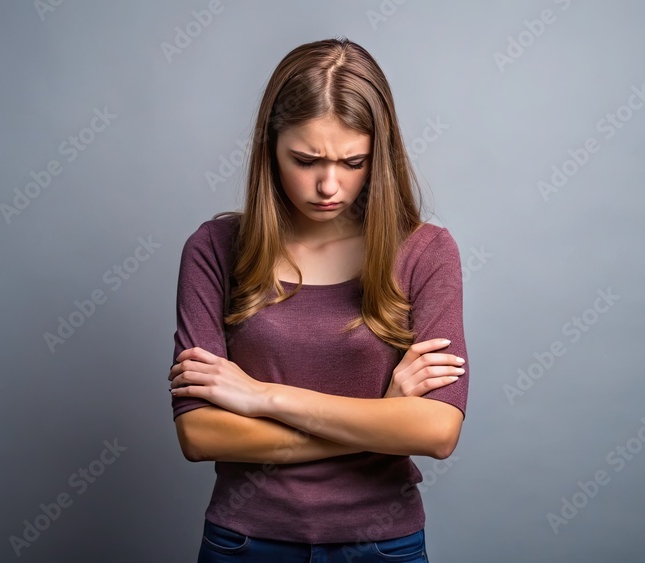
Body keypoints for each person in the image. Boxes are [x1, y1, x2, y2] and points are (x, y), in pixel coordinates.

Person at [169, 36, 469, 563]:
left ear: (380, 156)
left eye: (353, 162)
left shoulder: (426, 252)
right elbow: (199, 434)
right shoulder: (214, 249)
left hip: (381, 544)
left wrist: (265, 397)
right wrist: (384, 418)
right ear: (271, 147)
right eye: (306, 160)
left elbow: (437, 430)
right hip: (245, 544)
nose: (329, 185)